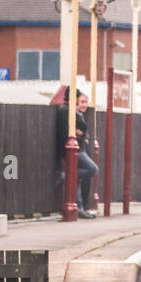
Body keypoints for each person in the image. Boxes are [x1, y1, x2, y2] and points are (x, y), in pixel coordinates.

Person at [54, 87, 100, 218]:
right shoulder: (68, 111)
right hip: (75, 150)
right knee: (92, 169)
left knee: (77, 179)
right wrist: (80, 132)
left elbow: (82, 130)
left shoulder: (71, 111)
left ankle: (79, 207)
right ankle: (66, 175)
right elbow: (83, 127)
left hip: (77, 149)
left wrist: (81, 131)